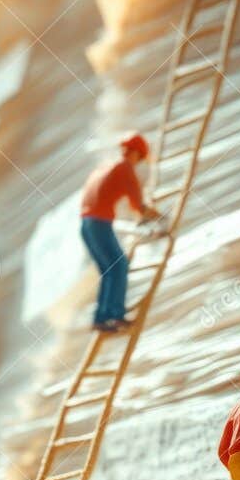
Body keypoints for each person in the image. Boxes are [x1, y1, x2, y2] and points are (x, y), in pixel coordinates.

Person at [79, 132, 158, 332]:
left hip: (86, 224)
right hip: (99, 223)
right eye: (140, 157)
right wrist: (159, 216)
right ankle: (115, 315)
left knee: (108, 271)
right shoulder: (124, 168)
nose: (138, 162)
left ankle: (101, 318)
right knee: (120, 265)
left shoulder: (106, 166)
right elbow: (138, 206)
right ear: (135, 153)